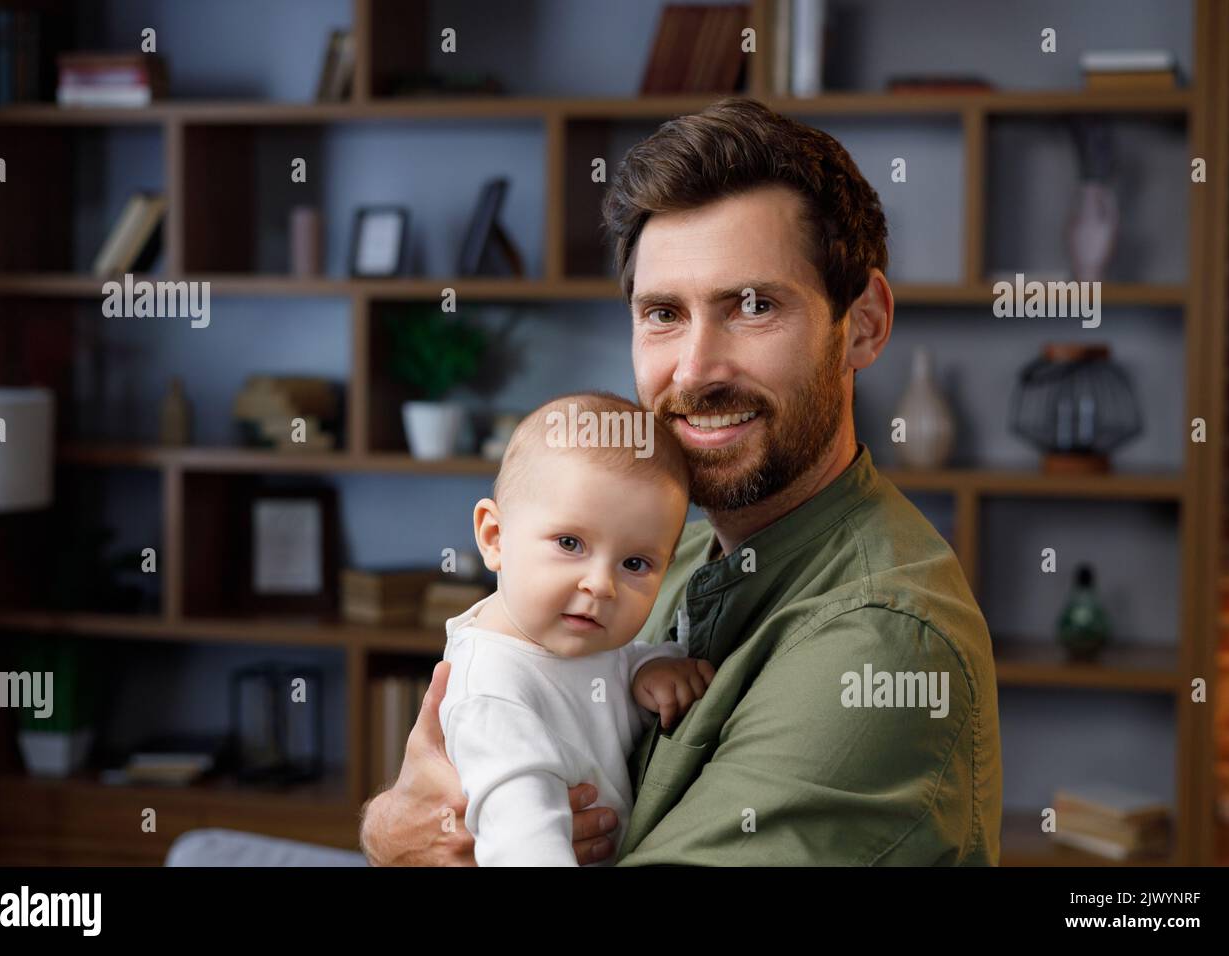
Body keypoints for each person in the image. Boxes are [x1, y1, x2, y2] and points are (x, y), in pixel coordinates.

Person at [360, 96, 1001, 866]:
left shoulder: (882, 644)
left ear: (862, 323)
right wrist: (393, 827)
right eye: (663, 313)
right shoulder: (662, 563)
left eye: (753, 306)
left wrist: (410, 840)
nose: (695, 370)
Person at [440, 391, 715, 865]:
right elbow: (522, 844)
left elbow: (615, 664)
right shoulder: (493, 690)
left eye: (635, 563)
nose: (601, 585)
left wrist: (648, 670)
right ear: (494, 537)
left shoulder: (580, 640)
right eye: (570, 543)